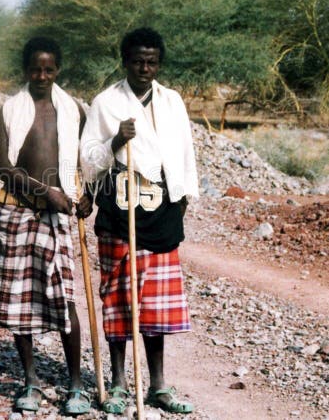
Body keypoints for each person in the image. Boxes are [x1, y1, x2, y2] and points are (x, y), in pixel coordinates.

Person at [79, 27, 199, 415]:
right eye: (137, 61)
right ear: (124, 61)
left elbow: (184, 153)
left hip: (162, 208)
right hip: (118, 208)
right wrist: (115, 140)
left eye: (152, 62)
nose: (145, 68)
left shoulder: (172, 101)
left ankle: (158, 386)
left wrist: (181, 202)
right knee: (118, 298)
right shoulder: (106, 102)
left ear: (159, 63)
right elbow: (88, 161)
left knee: (155, 305)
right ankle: (117, 383)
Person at [0, 37, 93, 415]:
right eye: (35, 69)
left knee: (64, 299)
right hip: (19, 211)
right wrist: (43, 190)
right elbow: (2, 165)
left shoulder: (73, 110)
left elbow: (85, 161)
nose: (41, 76)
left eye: (49, 69)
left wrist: (87, 197)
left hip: (59, 215)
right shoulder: (11, 109)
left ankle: (77, 385)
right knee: (21, 299)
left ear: (58, 70)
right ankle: (31, 382)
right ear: (25, 70)